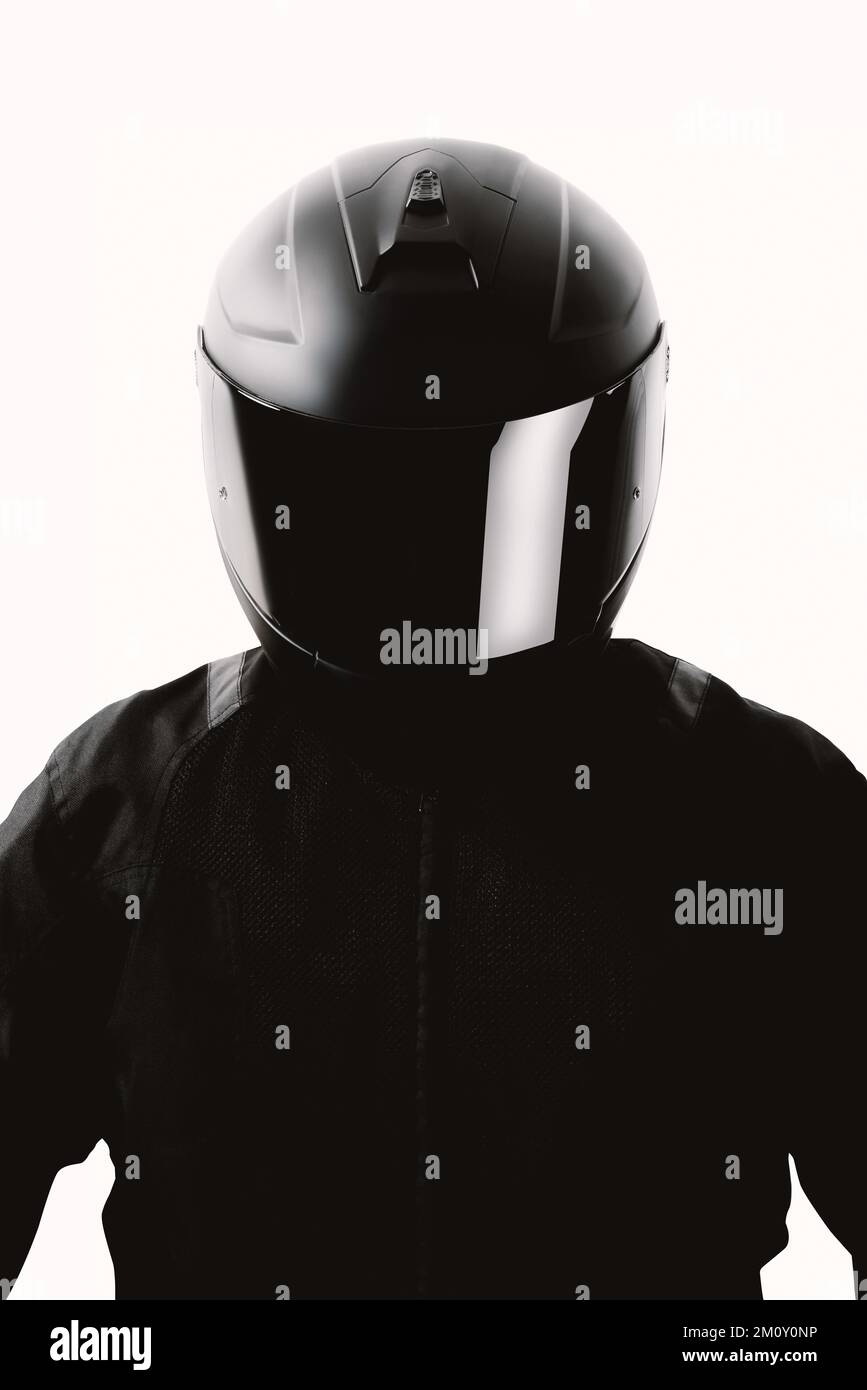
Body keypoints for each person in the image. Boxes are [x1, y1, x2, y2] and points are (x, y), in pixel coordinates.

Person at [1, 137, 863, 1301]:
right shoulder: (118, 812)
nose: (426, 586)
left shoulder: (767, 808)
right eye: (371, 511)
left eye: (474, 503)